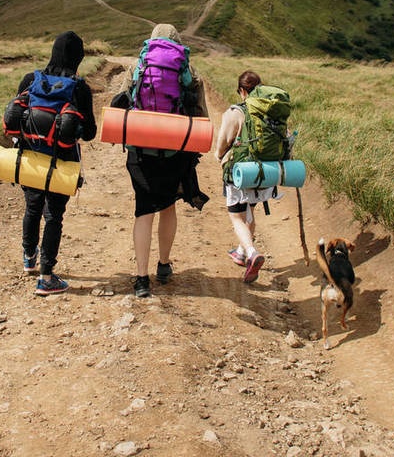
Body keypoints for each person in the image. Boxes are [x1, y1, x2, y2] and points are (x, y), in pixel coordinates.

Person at [117, 24, 208, 299]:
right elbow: (202, 115)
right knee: (168, 207)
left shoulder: (138, 67)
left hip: (141, 151)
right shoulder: (190, 72)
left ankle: (142, 279)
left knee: (143, 211)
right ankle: (164, 266)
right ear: (178, 43)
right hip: (175, 150)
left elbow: (121, 105)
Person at [17, 31, 96, 295]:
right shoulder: (80, 87)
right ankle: (46, 276)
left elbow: (17, 116)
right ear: (78, 58)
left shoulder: (31, 80)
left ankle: (29, 258)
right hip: (62, 162)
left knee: (32, 208)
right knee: (54, 216)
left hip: (30, 157)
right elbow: (90, 132)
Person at [213, 70, 279, 283]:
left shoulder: (235, 112)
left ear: (242, 91)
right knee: (250, 210)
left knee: (236, 216)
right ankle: (241, 252)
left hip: (241, 171)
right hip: (266, 171)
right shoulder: (272, 111)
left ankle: (251, 252)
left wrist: (219, 156)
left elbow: (223, 142)